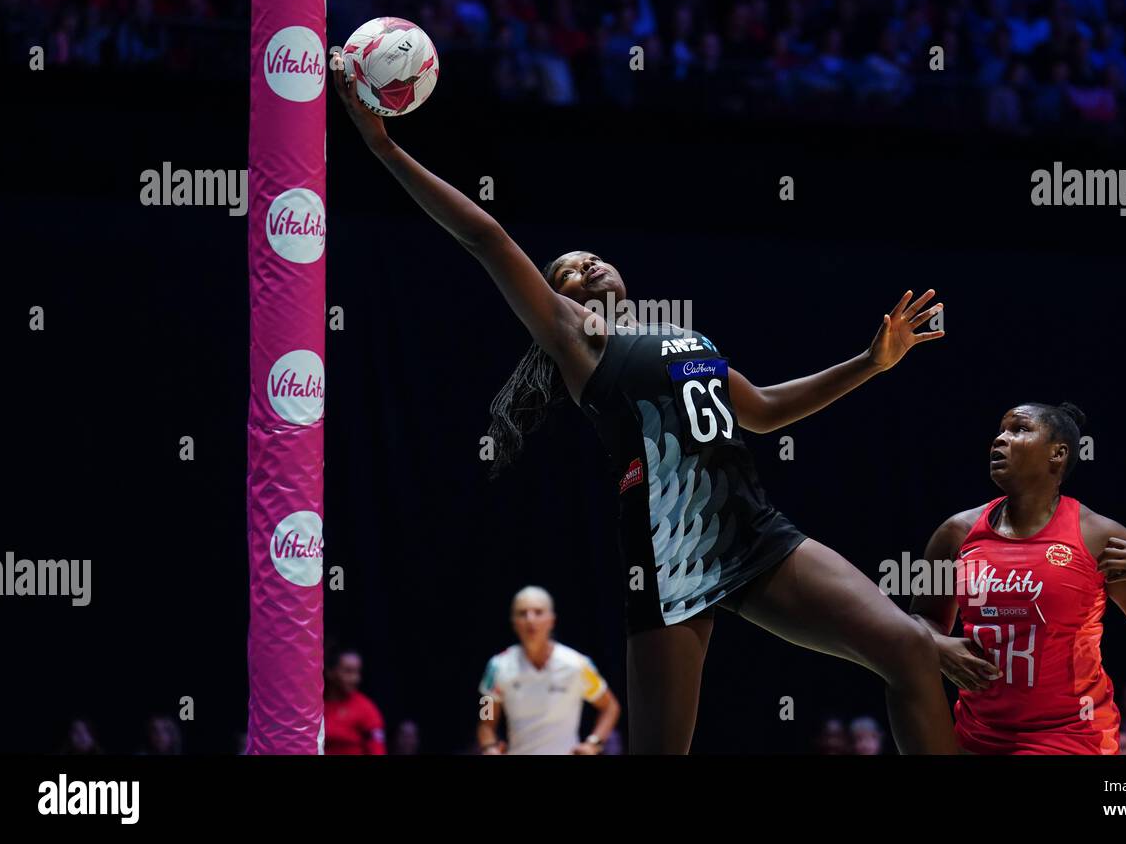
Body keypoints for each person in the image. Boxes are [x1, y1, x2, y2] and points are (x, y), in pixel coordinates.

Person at [330, 48, 957, 754]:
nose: (583, 265)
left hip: (755, 531)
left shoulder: (683, 334)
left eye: (590, 257)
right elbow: (486, 236)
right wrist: (383, 146)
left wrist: (871, 363)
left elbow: (766, 411)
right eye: (565, 271)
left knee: (908, 647)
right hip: (669, 552)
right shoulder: (576, 341)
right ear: (557, 300)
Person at [910, 403, 1126, 754]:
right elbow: (921, 620)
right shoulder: (955, 533)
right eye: (1000, 430)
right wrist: (938, 645)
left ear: (1058, 454)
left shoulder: (1099, 536)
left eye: (1019, 429)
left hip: (1073, 735)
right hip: (977, 737)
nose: (999, 439)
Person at [476, 586, 621, 755]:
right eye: (522, 613)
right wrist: (489, 746)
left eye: (538, 612)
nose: (530, 619)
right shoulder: (498, 666)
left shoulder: (577, 665)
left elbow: (610, 707)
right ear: (514, 622)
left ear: (552, 620)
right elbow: (486, 721)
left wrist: (594, 742)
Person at [323, 648, 386, 755]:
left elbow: (377, 749)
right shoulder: (315, 706)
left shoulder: (366, 708)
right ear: (330, 672)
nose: (355, 678)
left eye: (357, 672)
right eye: (348, 671)